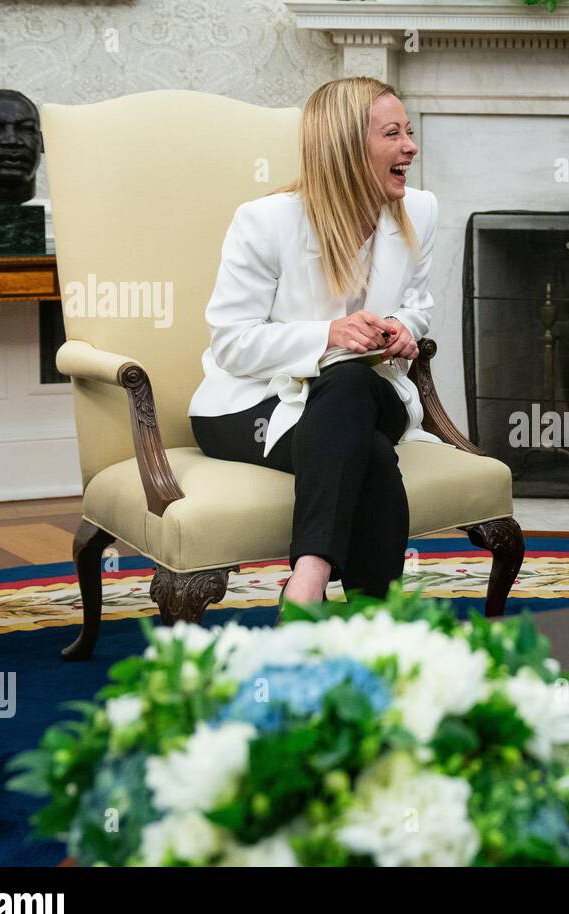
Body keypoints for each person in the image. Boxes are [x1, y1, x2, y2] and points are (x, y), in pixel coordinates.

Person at [188, 77, 442, 607]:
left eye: (409, 132)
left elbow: (418, 306)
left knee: (350, 380)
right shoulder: (265, 222)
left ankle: (306, 581)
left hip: (375, 396)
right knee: (367, 450)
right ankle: (376, 622)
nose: (410, 147)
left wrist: (401, 328)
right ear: (347, 146)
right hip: (252, 405)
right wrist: (328, 335)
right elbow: (233, 344)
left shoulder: (420, 211)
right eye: (393, 134)